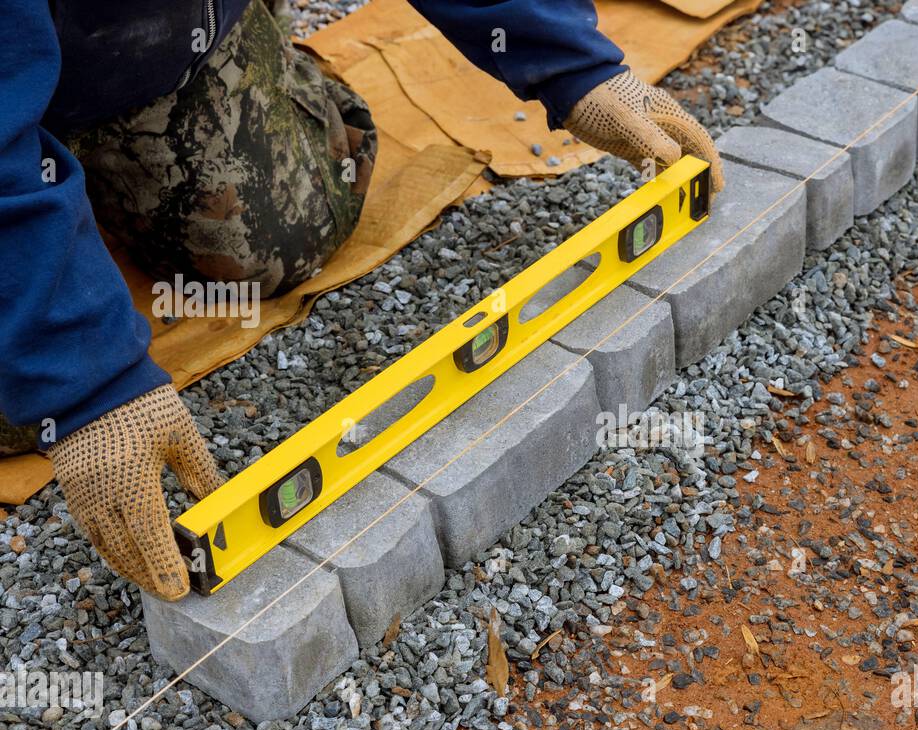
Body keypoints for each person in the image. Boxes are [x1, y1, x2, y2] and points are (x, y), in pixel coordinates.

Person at [1, 0, 724, 600]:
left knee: (268, 239)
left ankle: (234, 82)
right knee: (16, 409)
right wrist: (84, 378)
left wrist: (574, 66)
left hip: (143, 36)